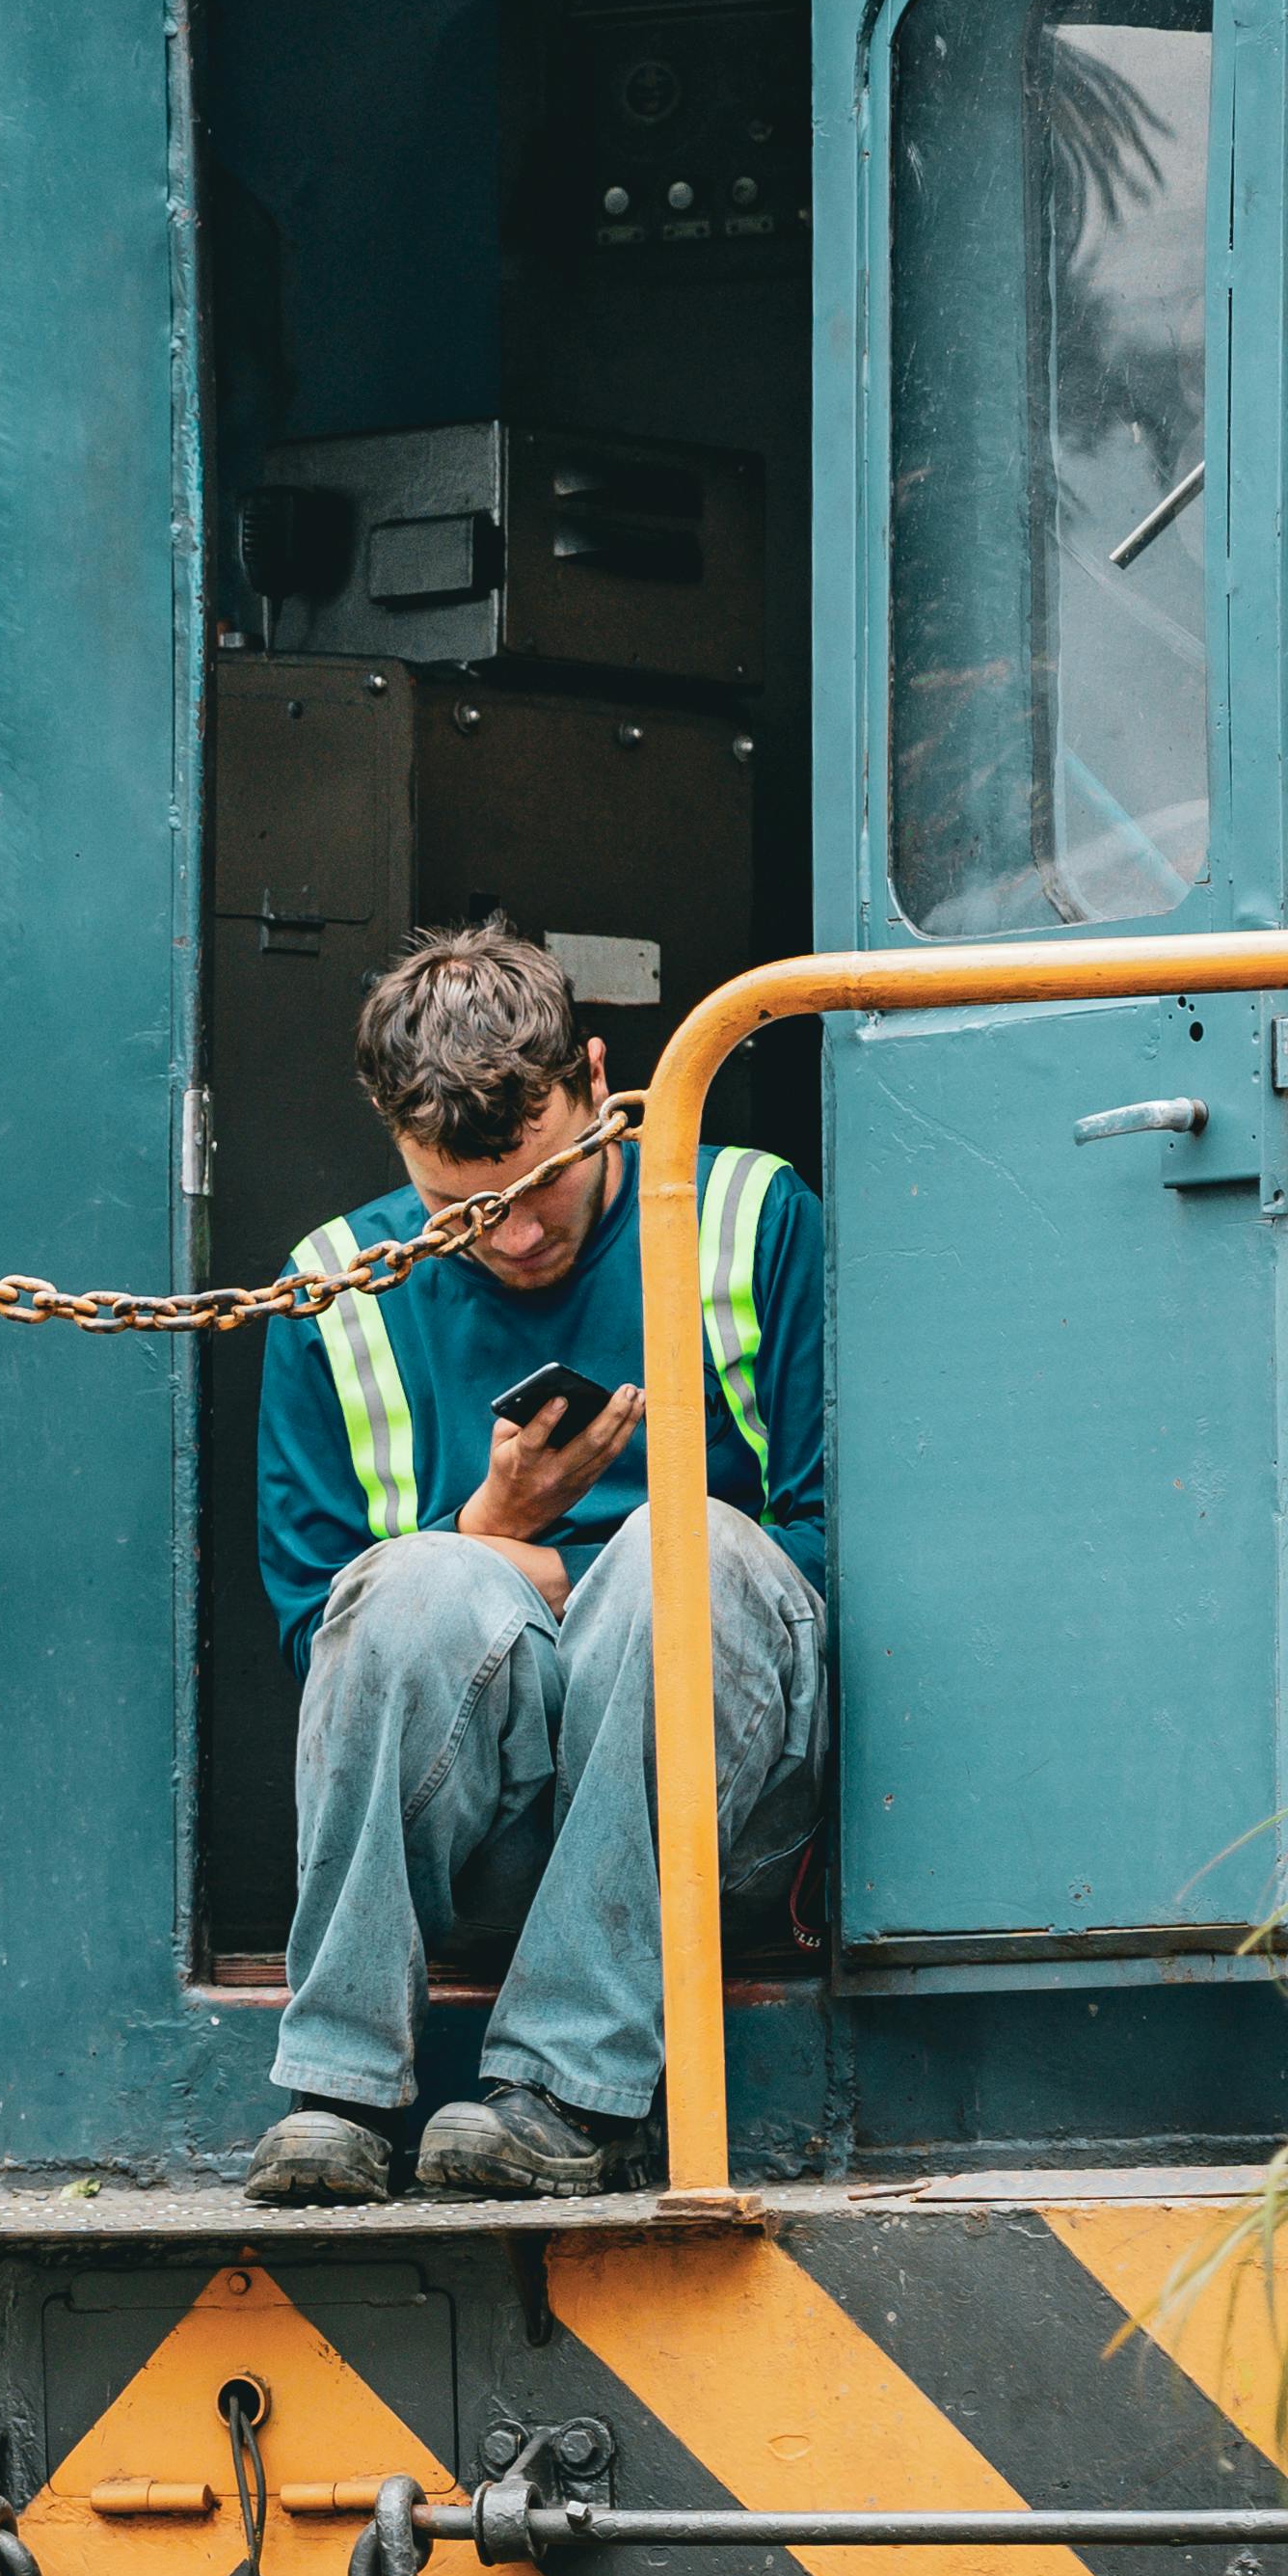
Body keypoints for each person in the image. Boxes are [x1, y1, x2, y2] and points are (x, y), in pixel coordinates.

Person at [246, 926, 828, 2202]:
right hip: (482, 1828)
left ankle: (568, 2090)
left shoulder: (750, 1217)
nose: (511, 1240)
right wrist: (483, 1539)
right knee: (410, 1582)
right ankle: (338, 2095)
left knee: (681, 1549)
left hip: (722, 1802)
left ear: (602, 1082)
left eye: (538, 1185)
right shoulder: (335, 1295)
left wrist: (566, 1565)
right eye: (463, 1211)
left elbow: (838, 1546)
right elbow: (318, 1635)